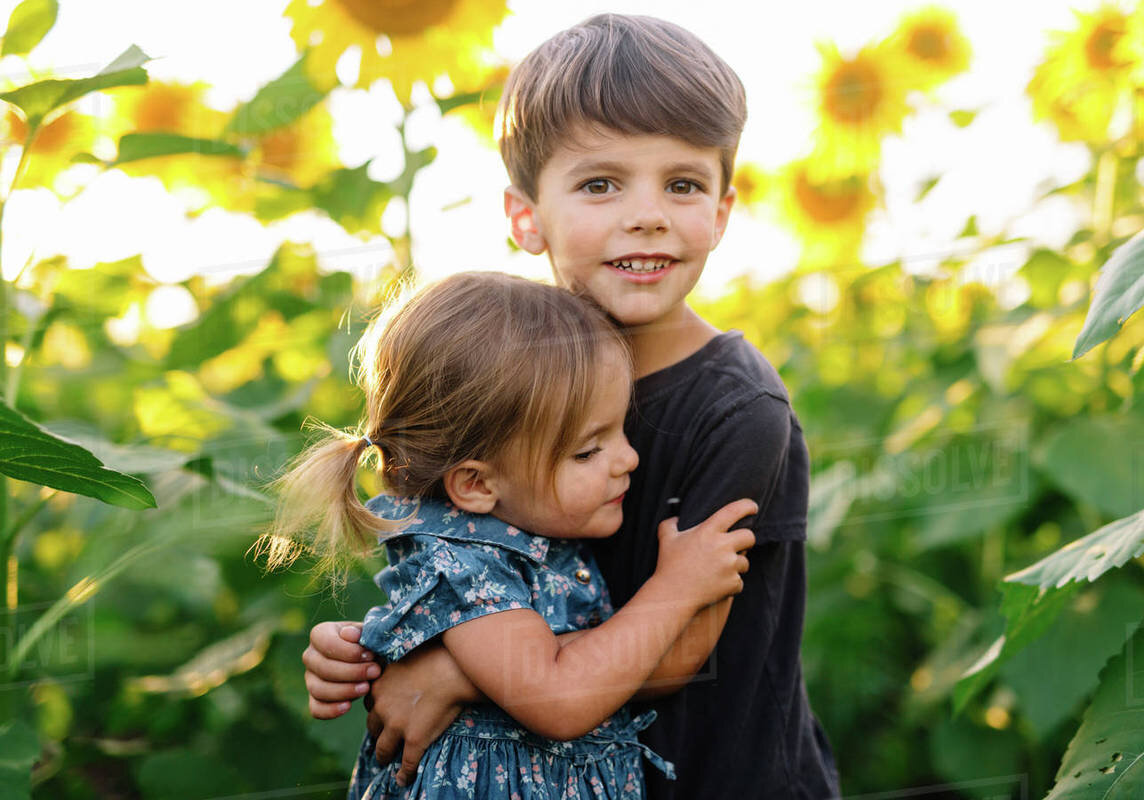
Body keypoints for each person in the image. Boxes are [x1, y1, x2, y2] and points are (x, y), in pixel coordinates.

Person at [303, 14, 842, 799]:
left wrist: (453, 669)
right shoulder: (506, 372)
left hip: (713, 777)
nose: (647, 213)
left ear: (723, 212)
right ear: (526, 217)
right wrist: (377, 648)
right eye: (600, 183)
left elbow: (678, 652)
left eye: (682, 183)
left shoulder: (737, 407)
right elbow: (460, 553)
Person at [263, 271, 757, 798]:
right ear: (476, 484)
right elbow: (561, 699)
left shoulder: (538, 526)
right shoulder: (464, 562)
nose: (629, 459)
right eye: (589, 451)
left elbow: (653, 668)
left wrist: (702, 589)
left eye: (621, 431)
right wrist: (675, 589)